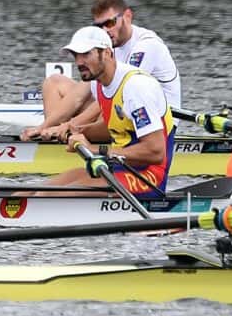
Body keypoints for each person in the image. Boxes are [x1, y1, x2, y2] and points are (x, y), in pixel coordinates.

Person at [20, 0, 180, 141]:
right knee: (54, 83)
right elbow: (79, 96)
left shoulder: (146, 46)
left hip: (154, 122)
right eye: (99, 26)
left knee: (104, 109)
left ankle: (66, 136)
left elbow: (117, 96)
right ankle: (53, 137)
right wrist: (43, 127)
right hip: (122, 110)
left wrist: (69, 125)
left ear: (127, 16)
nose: (105, 30)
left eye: (110, 23)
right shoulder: (106, 45)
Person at [45, 26, 175, 196]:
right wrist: (75, 130)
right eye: (76, 55)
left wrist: (93, 149)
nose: (79, 62)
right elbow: (113, 128)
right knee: (38, 191)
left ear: (106, 53)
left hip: (148, 178)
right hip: (118, 169)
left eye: (86, 54)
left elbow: (156, 152)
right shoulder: (98, 84)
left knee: (54, 195)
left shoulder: (136, 87)